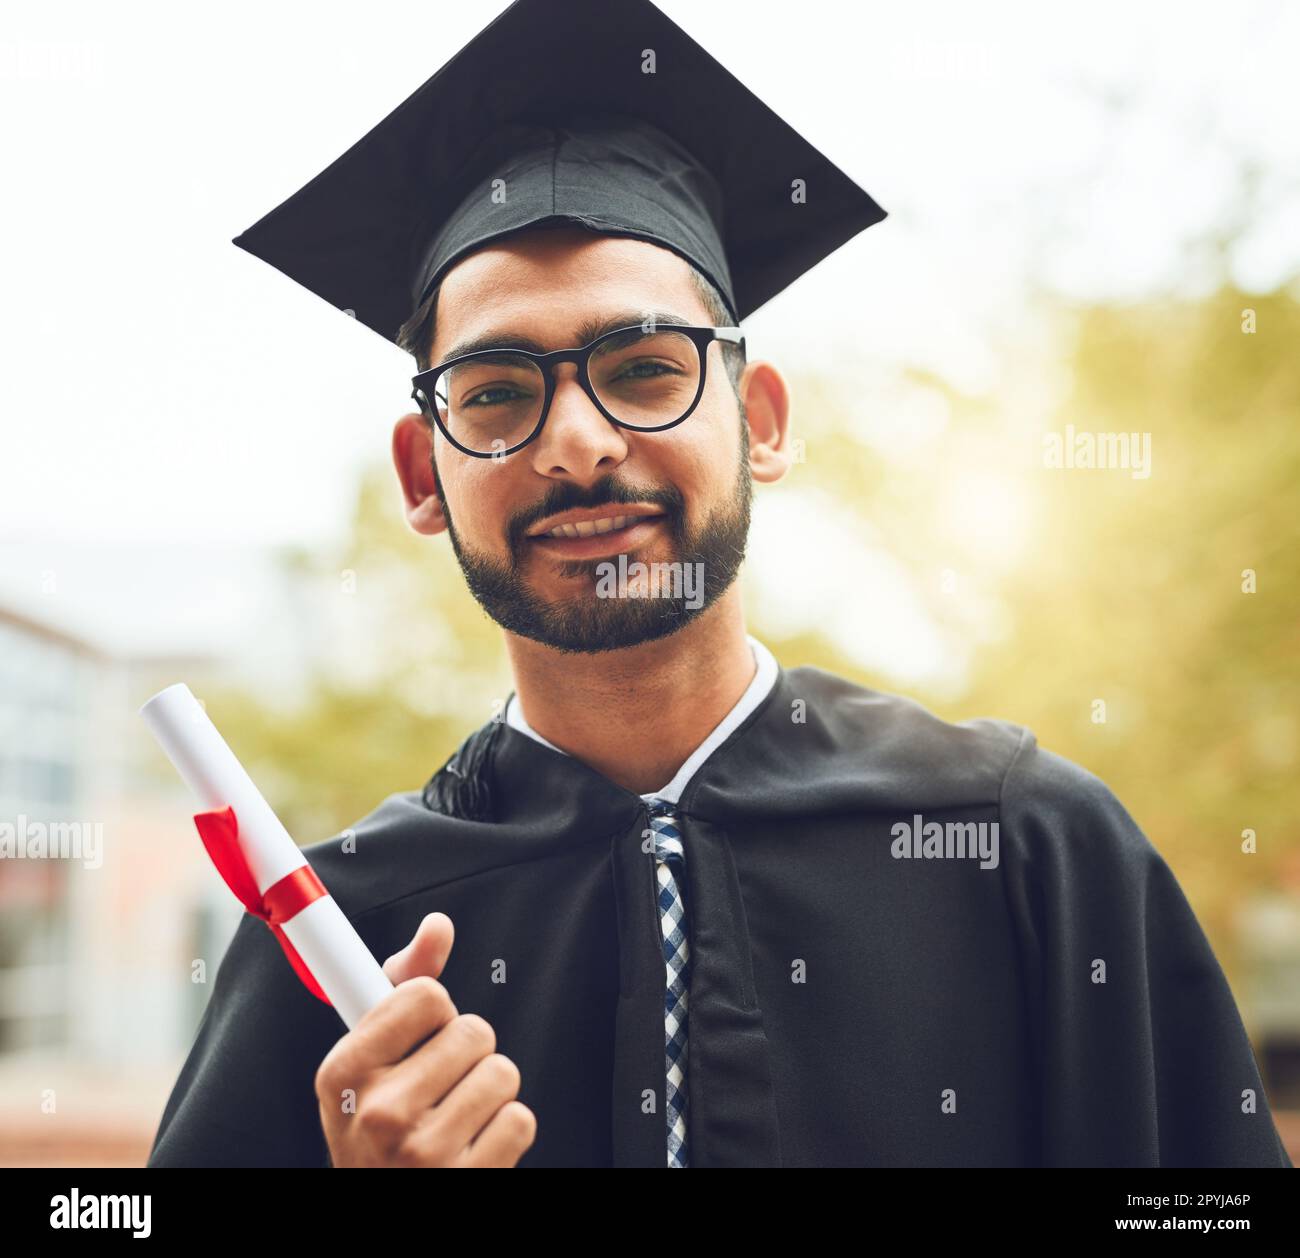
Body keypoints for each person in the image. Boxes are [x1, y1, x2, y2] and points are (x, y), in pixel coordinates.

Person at [147, 0, 1293, 1168]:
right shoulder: (335, 939)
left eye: (642, 369)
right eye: (495, 392)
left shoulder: (1026, 846)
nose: (578, 443)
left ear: (760, 421)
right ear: (423, 473)